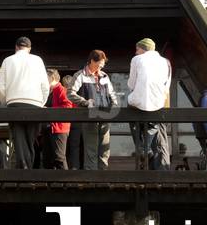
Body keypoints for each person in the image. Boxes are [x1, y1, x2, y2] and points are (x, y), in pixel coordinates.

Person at [0, 36, 49, 169]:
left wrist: (6, 101)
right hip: (35, 103)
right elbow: (45, 85)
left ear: (16, 47)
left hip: (14, 103)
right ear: (29, 49)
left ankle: (24, 169)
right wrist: (41, 101)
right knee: (30, 141)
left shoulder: (7, 60)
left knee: (19, 142)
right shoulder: (38, 60)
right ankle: (28, 170)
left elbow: (1, 87)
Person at [67, 50, 119, 170]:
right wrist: (85, 102)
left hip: (105, 116)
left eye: (102, 65)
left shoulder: (104, 76)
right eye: (99, 64)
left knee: (105, 149)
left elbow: (112, 94)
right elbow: (69, 93)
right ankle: (91, 179)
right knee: (91, 149)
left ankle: (103, 176)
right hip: (89, 116)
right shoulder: (80, 75)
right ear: (91, 61)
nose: (101, 67)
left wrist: (115, 105)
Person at [127, 38, 172, 170]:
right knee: (153, 125)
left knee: (131, 117)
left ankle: (142, 149)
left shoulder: (136, 59)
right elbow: (167, 84)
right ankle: (146, 149)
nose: (136, 52)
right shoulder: (165, 62)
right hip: (158, 103)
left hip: (138, 101)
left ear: (143, 48)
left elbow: (131, 83)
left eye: (137, 49)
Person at [45, 69, 74, 169]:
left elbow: (68, 106)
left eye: (46, 77)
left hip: (59, 127)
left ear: (52, 78)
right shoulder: (49, 91)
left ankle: (66, 182)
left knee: (59, 157)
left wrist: (48, 110)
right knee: (50, 158)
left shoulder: (61, 89)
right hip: (50, 127)